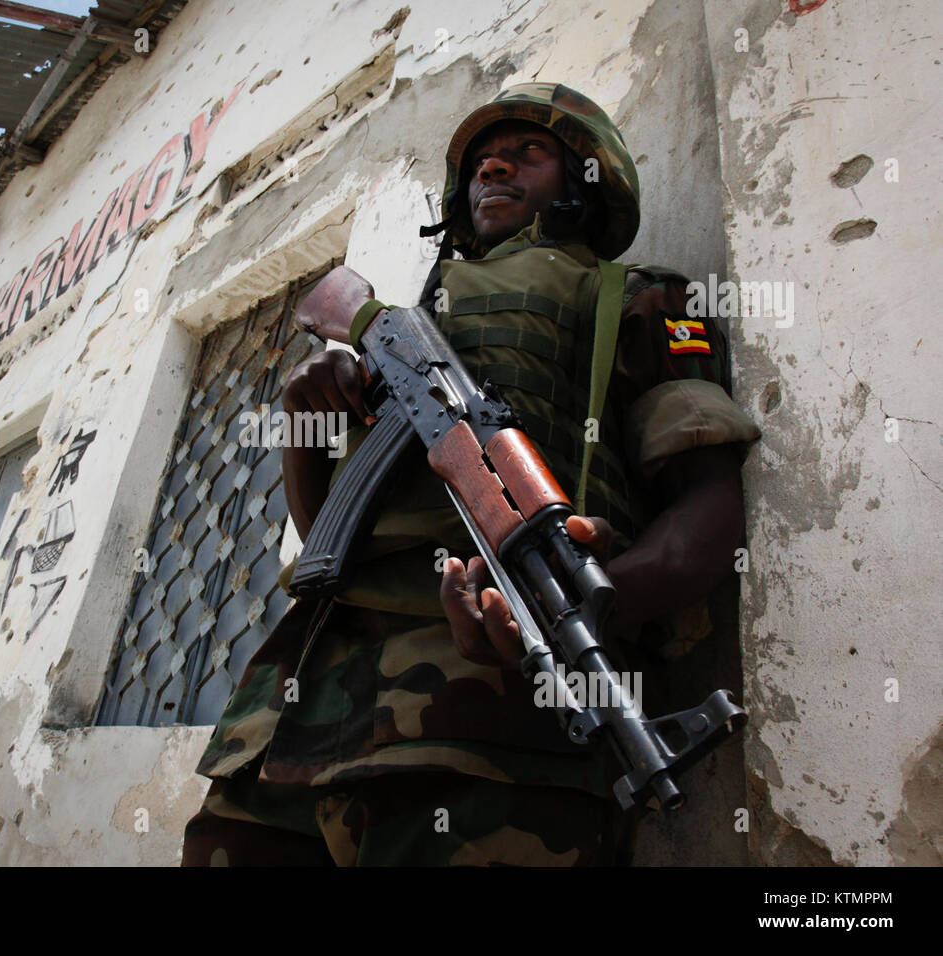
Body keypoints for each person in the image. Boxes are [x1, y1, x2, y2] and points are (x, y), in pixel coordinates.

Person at [181, 82, 760, 866]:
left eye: (531, 152)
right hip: (288, 714)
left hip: (488, 727)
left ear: (588, 181)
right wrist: (305, 422)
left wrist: (590, 613)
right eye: (485, 158)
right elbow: (323, 549)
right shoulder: (407, 318)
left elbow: (710, 502)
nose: (495, 165)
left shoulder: (641, 300)